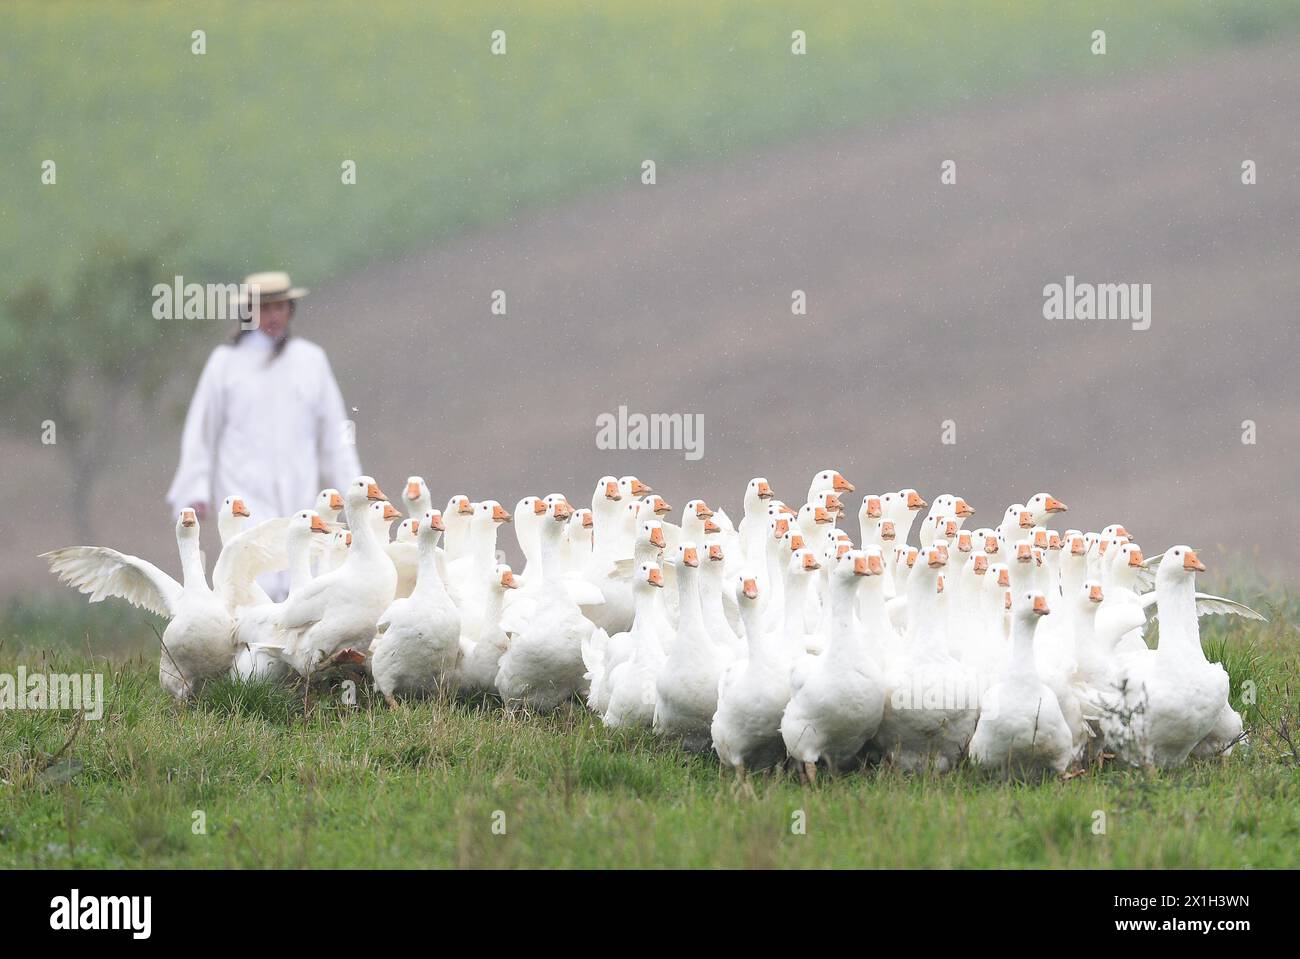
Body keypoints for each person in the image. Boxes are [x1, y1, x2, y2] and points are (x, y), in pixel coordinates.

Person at [166, 271, 362, 596]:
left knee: (303, 573)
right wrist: (194, 490)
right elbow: (202, 430)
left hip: (299, 484)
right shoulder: (225, 363)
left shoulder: (310, 360)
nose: (273, 316)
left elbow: (335, 434)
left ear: (290, 309)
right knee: (254, 577)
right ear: (249, 311)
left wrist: (354, 492)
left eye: (280, 307)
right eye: (264, 308)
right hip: (245, 486)